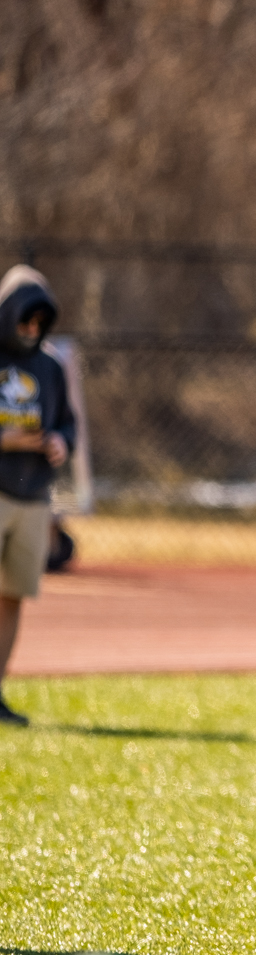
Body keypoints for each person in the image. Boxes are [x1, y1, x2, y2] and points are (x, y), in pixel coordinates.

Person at [0, 266, 75, 728]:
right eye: (25, 320)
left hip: (33, 497)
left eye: (40, 323)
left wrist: (62, 441)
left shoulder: (50, 366)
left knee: (12, 596)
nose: (31, 329)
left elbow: (68, 422)